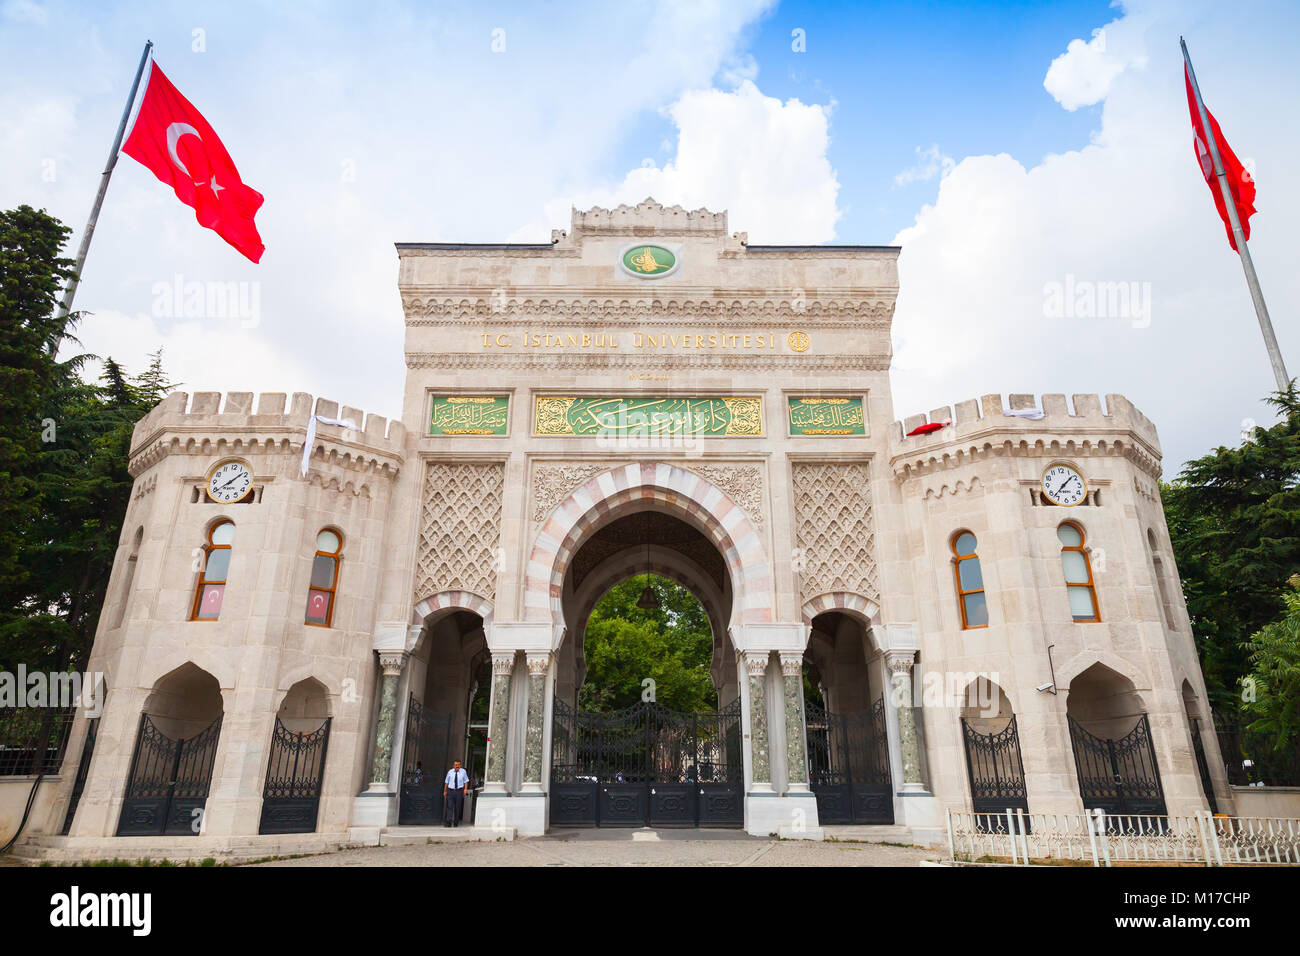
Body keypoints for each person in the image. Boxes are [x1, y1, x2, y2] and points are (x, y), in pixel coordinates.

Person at [443, 759, 469, 827]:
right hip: (450, 791)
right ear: (453, 765)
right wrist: (445, 791)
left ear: (460, 765)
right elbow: (446, 782)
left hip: (459, 791)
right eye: (455, 765)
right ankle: (448, 822)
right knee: (450, 806)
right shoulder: (450, 772)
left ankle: (456, 822)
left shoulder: (463, 771)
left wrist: (465, 789)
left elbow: (466, 781)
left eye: (458, 765)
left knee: (457, 807)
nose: (457, 766)